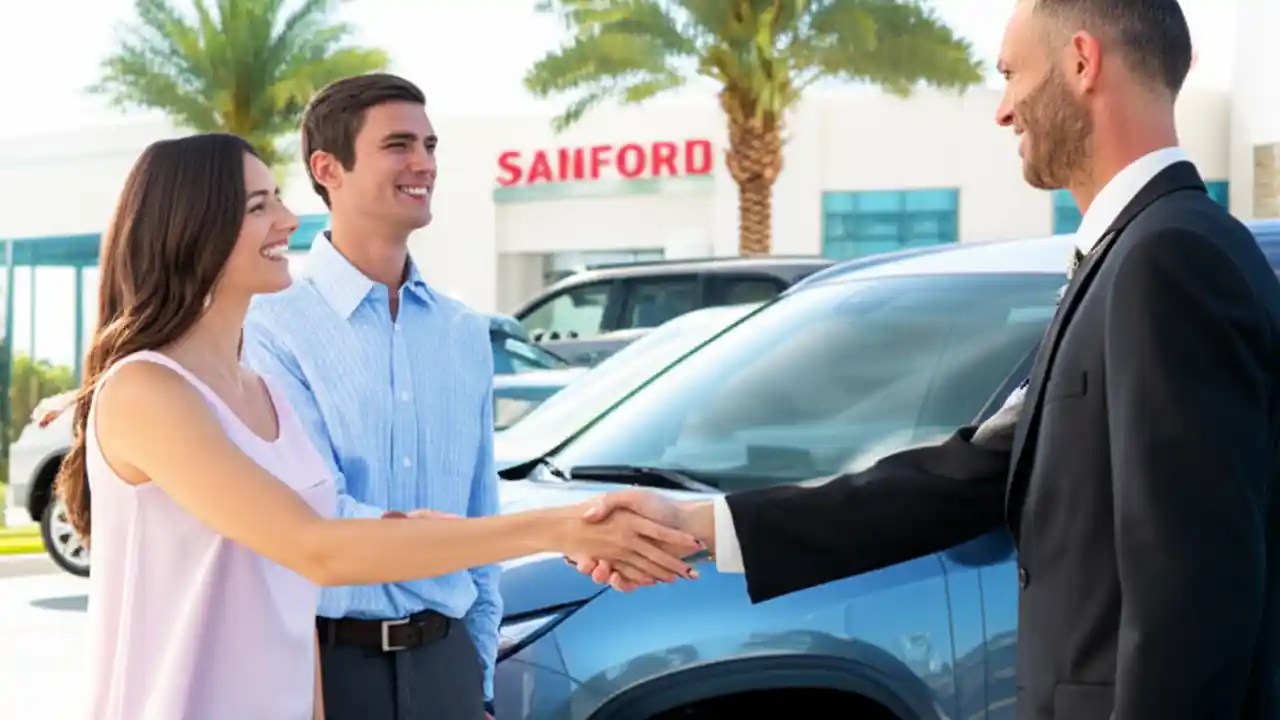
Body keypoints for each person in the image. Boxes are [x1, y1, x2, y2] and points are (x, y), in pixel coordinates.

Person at [572, 1, 1280, 718]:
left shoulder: (1168, 259)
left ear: (1081, 62)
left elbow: (1193, 586)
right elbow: (965, 477)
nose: (1004, 111)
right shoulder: (1134, 254)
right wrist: (697, 525)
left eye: (1010, 75)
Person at [56, 133, 701, 720]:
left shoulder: (265, 392)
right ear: (189, 228)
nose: (287, 219)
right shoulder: (148, 389)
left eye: (278, 198)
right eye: (257, 206)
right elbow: (319, 547)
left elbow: (299, 586)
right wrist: (557, 528)